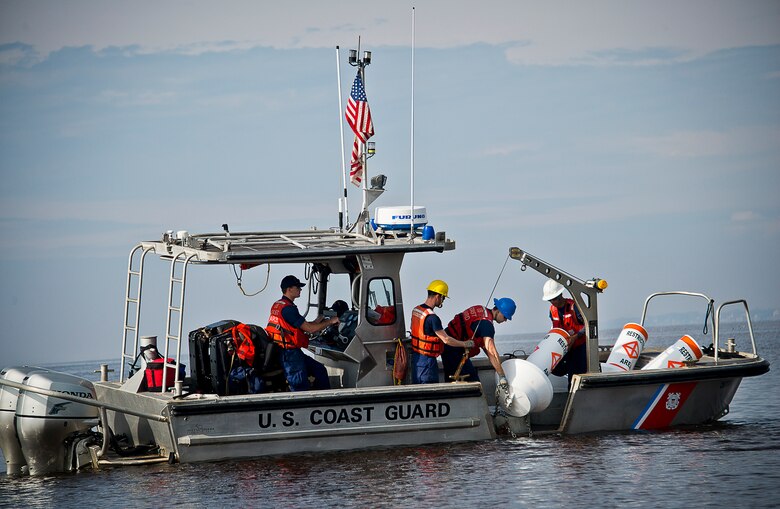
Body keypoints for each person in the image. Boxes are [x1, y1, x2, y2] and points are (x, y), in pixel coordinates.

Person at [265, 275, 339, 391]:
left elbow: (297, 326)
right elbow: (310, 329)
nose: (300, 289)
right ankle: (303, 407)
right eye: (298, 287)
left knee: (319, 370)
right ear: (289, 289)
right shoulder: (289, 309)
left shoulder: (279, 305)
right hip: (289, 355)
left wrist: (317, 321)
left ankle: (325, 402)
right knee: (299, 386)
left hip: (288, 351)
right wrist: (331, 321)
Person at [441, 298, 516, 392]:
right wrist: (502, 376)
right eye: (505, 317)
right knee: (474, 384)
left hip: (449, 345)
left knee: (460, 379)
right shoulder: (487, 325)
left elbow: (486, 348)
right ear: (498, 311)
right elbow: (492, 352)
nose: (505, 320)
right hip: (453, 351)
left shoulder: (480, 309)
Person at [410, 280, 475, 384]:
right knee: (430, 392)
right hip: (427, 363)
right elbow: (446, 339)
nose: (442, 301)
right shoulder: (432, 317)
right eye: (443, 298)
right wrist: (465, 344)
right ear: (437, 296)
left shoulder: (416, 310)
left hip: (417, 360)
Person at [542, 279, 587, 385]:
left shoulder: (574, 307)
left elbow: (588, 326)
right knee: (560, 371)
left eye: (554, 299)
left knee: (576, 375)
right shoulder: (552, 310)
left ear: (560, 295)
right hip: (564, 347)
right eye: (550, 300)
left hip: (579, 347)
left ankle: (577, 397)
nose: (553, 302)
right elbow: (554, 327)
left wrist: (576, 336)